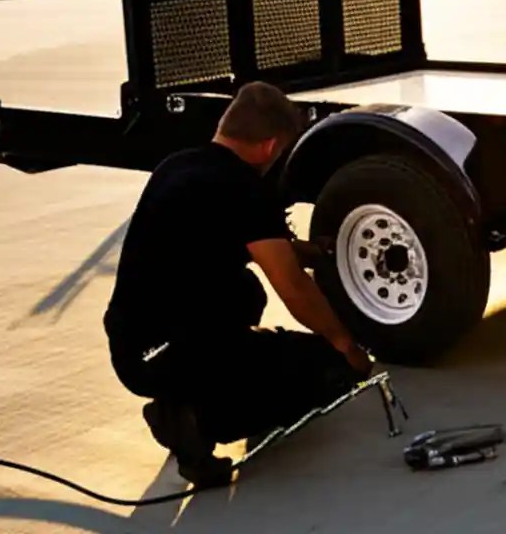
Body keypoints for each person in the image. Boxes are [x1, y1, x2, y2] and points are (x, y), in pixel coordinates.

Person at [102, 81, 373, 486]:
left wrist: (311, 251)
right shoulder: (244, 189)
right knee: (327, 371)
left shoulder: (177, 166)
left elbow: (250, 242)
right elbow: (292, 286)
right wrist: (346, 346)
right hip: (172, 357)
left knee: (245, 293)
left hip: (131, 350)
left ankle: (202, 390)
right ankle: (192, 420)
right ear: (269, 147)